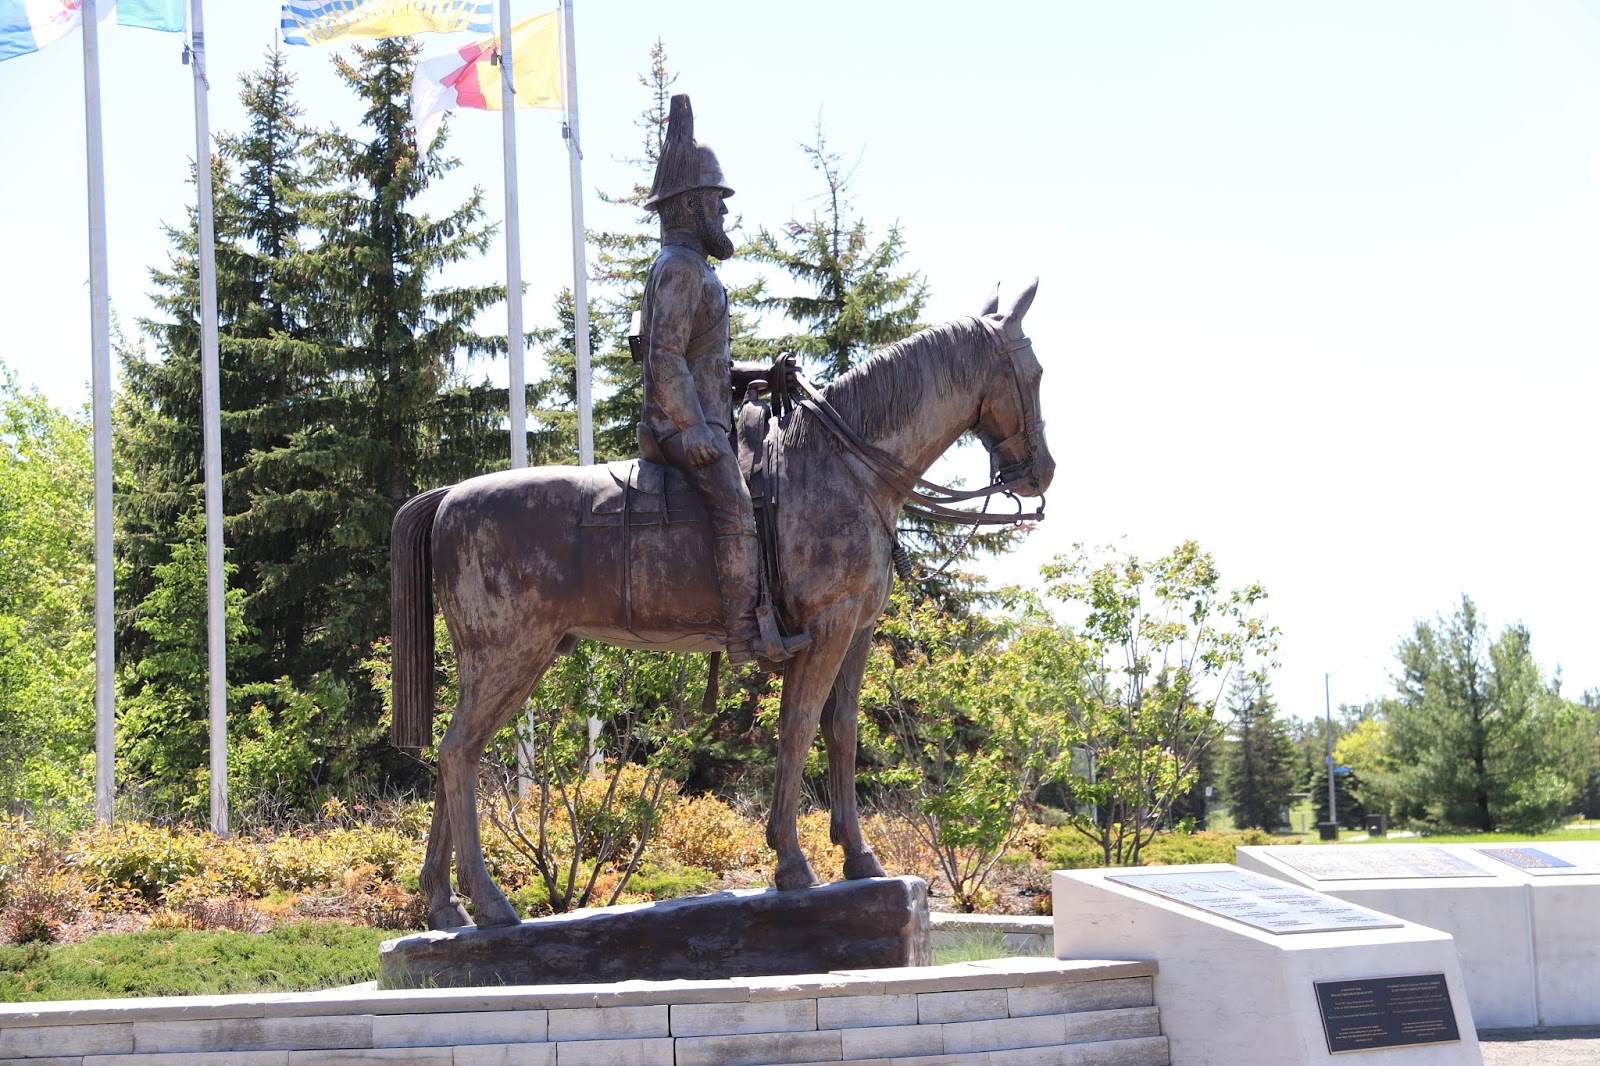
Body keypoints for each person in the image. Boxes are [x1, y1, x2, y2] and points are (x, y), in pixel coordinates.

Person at [638, 94, 808, 666]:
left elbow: (706, 366)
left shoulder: (695, 270)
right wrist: (694, 430)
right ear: (689, 206)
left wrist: (764, 377)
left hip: (699, 421)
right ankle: (743, 633)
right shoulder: (680, 269)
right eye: (717, 200)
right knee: (737, 507)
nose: (726, 212)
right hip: (676, 429)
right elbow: (664, 360)